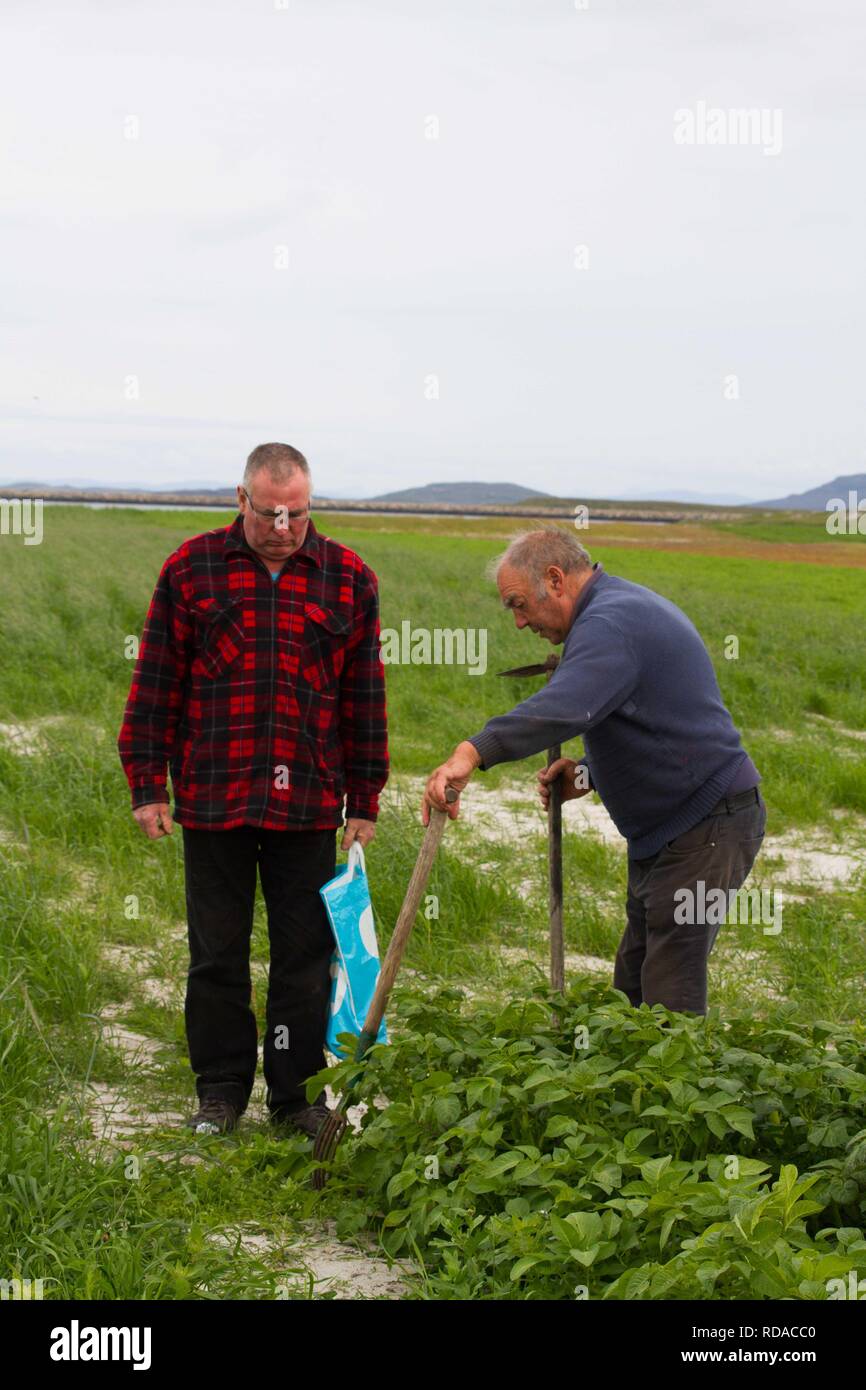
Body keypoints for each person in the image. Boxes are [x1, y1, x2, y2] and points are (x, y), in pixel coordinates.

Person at [117, 443, 389, 1136]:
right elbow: (156, 685)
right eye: (268, 511)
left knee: (303, 958)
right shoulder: (191, 568)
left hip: (307, 803)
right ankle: (221, 1090)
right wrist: (148, 785)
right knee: (216, 954)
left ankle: (295, 1099)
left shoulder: (349, 578)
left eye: (296, 512)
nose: (282, 525)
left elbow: (363, 698)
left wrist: (365, 800)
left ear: (309, 504)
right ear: (240, 499)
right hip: (213, 798)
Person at [423, 528, 766, 1016]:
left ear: (556, 579)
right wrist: (587, 774)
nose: (519, 622)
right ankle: (638, 1089)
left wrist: (472, 752)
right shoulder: (610, 613)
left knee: (669, 996)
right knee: (633, 989)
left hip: (706, 826)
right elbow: (650, 721)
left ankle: (681, 1087)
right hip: (673, 830)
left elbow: (568, 706)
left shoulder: (613, 621)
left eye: (519, 605)